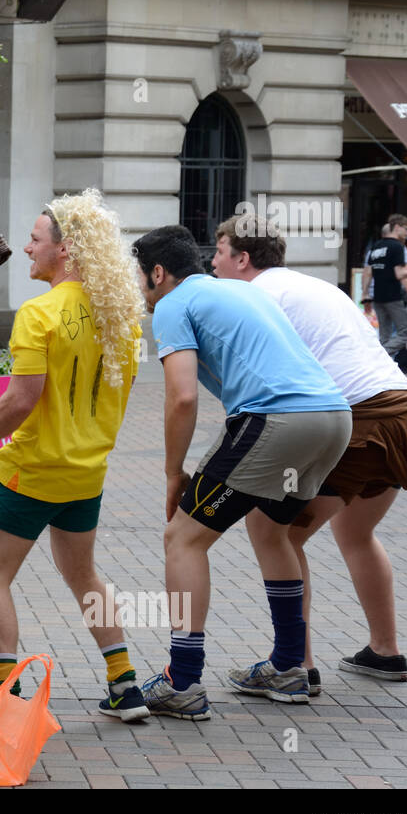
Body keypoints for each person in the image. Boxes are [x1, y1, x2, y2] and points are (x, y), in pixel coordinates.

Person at [212, 214, 407, 690]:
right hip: (404, 413)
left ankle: (293, 666)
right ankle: (385, 653)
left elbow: (262, 382)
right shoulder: (316, 286)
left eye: (219, 252)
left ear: (242, 259)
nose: (213, 262)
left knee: (274, 530)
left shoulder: (254, 297)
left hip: (359, 422)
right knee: (355, 531)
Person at [131, 226, 351, 719]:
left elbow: (182, 397)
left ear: (159, 273)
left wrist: (173, 472)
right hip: (334, 417)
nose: (140, 288)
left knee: (182, 539)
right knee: (271, 530)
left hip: (277, 419)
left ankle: (181, 681)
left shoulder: (172, 304)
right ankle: (290, 667)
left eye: (141, 277)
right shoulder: (237, 289)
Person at [0, 189, 151, 722]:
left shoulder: (39, 314)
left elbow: (21, 399)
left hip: (29, 471)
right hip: (87, 473)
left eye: (36, 240)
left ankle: (5, 696)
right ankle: (125, 685)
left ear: (64, 251)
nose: (25, 249)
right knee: (84, 576)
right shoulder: (121, 316)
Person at [366, 214, 407, 359]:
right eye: (406, 228)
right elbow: (401, 274)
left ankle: (383, 368)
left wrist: (365, 294)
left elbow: (368, 272)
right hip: (393, 296)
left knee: (384, 334)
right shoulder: (398, 247)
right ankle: (380, 355)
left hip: (378, 296)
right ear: (397, 228)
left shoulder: (376, 247)